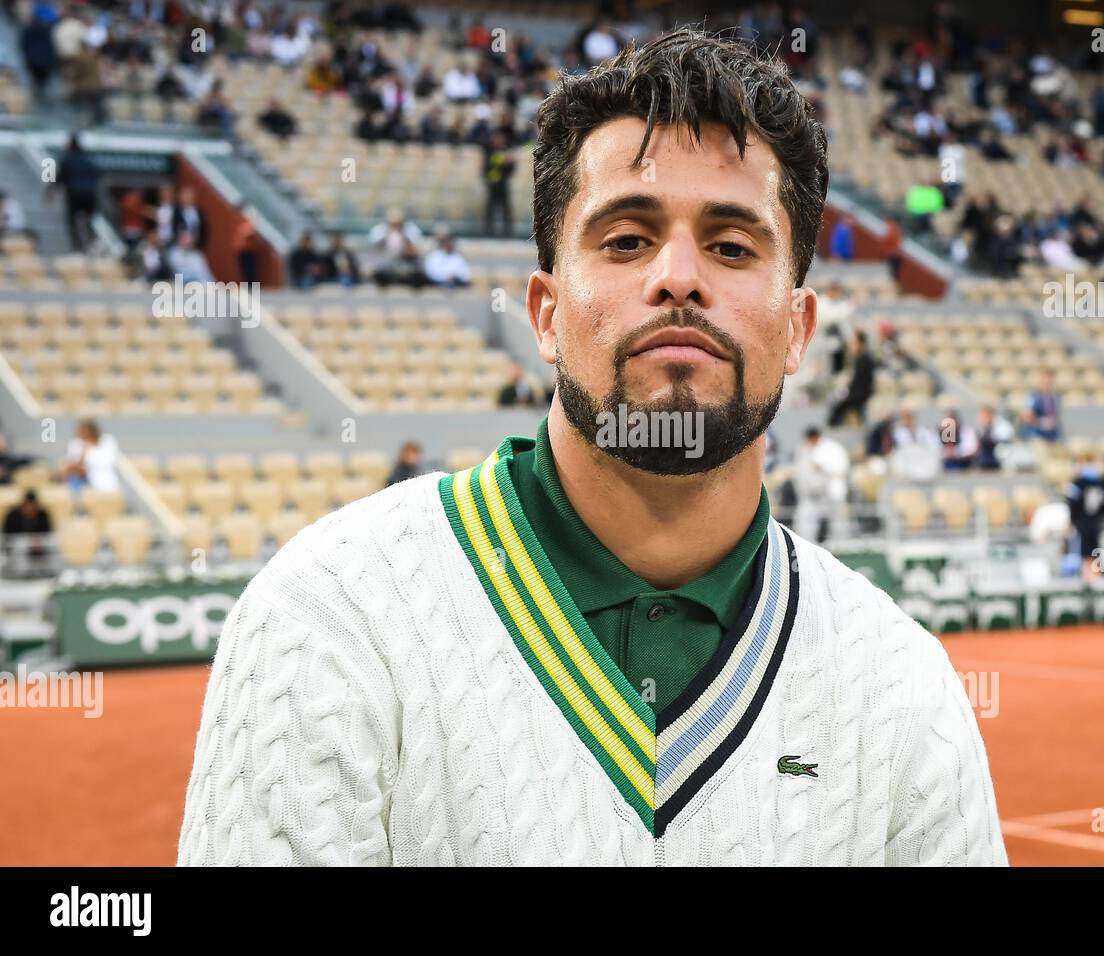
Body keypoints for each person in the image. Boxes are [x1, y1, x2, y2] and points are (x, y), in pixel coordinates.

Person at [179, 28, 1006, 867]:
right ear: (545, 313)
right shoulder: (335, 615)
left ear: (798, 329)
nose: (678, 276)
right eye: (625, 239)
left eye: (731, 245)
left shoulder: (901, 685)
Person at [793, 426, 849, 543]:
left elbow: (841, 471)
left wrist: (822, 468)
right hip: (810, 496)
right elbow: (800, 472)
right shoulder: (804, 449)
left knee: (838, 526)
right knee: (804, 526)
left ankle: (842, 549)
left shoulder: (833, 449)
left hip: (831, 495)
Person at [1065, 454, 1104, 579]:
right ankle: (1098, 577)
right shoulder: (1100, 482)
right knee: (1097, 551)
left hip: (1083, 523)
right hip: (1096, 523)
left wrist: (1072, 520)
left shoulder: (1078, 483)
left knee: (1084, 553)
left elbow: (1072, 504)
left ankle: (1088, 580)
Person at [55, 134, 99, 253]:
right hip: (89, 194)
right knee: (88, 219)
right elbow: (96, 176)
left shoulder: (67, 159)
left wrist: (51, 192)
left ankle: (77, 247)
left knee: (72, 221)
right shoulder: (88, 159)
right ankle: (92, 240)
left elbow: (60, 178)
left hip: (74, 194)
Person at [826, 328, 874, 427]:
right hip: (857, 393)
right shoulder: (860, 358)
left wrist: (849, 394)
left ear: (860, 343)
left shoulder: (864, 359)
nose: (852, 344)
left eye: (854, 341)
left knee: (839, 409)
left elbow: (861, 383)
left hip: (860, 395)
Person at [61, 420, 120, 496]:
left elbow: (110, 462)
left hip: (102, 480)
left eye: (88, 434)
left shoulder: (107, 441)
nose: (85, 436)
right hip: (81, 480)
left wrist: (88, 469)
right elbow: (73, 464)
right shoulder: (76, 444)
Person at [2, 490, 53, 577]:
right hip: (16, 540)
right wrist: (29, 538)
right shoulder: (13, 514)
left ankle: (48, 570)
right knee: (21, 544)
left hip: (38, 540)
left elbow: (47, 531)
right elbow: (8, 532)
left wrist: (36, 539)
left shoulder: (42, 514)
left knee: (52, 542)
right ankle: (22, 573)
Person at [482, 130, 516, 236]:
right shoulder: (488, 149)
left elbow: (511, 168)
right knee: (490, 207)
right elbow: (488, 164)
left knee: (506, 207)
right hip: (492, 182)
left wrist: (510, 163)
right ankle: (488, 231)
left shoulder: (505, 150)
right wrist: (502, 160)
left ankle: (507, 231)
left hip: (503, 182)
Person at [1022, 368, 1061, 441]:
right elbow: (1026, 415)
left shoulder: (1054, 396)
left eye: (1048, 379)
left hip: (1052, 435)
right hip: (1036, 434)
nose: (1046, 381)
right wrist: (1041, 422)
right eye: (1044, 379)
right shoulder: (1032, 396)